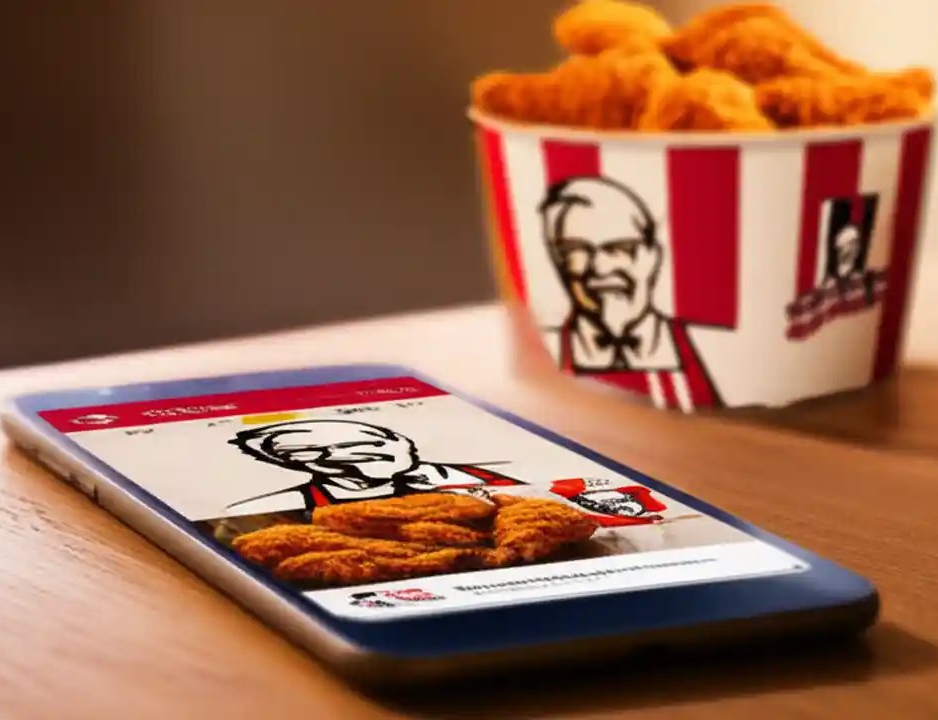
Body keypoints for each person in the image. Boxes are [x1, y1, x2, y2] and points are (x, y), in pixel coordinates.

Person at [539, 176, 718, 407]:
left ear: (652, 257)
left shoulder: (707, 346)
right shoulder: (541, 350)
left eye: (620, 248)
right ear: (558, 262)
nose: (601, 268)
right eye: (577, 250)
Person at [225, 419, 523, 515]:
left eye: (376, 442)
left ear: (404, 442)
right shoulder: (275, 508)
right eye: (314, 451)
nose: (359, 454)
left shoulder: (469, 478)